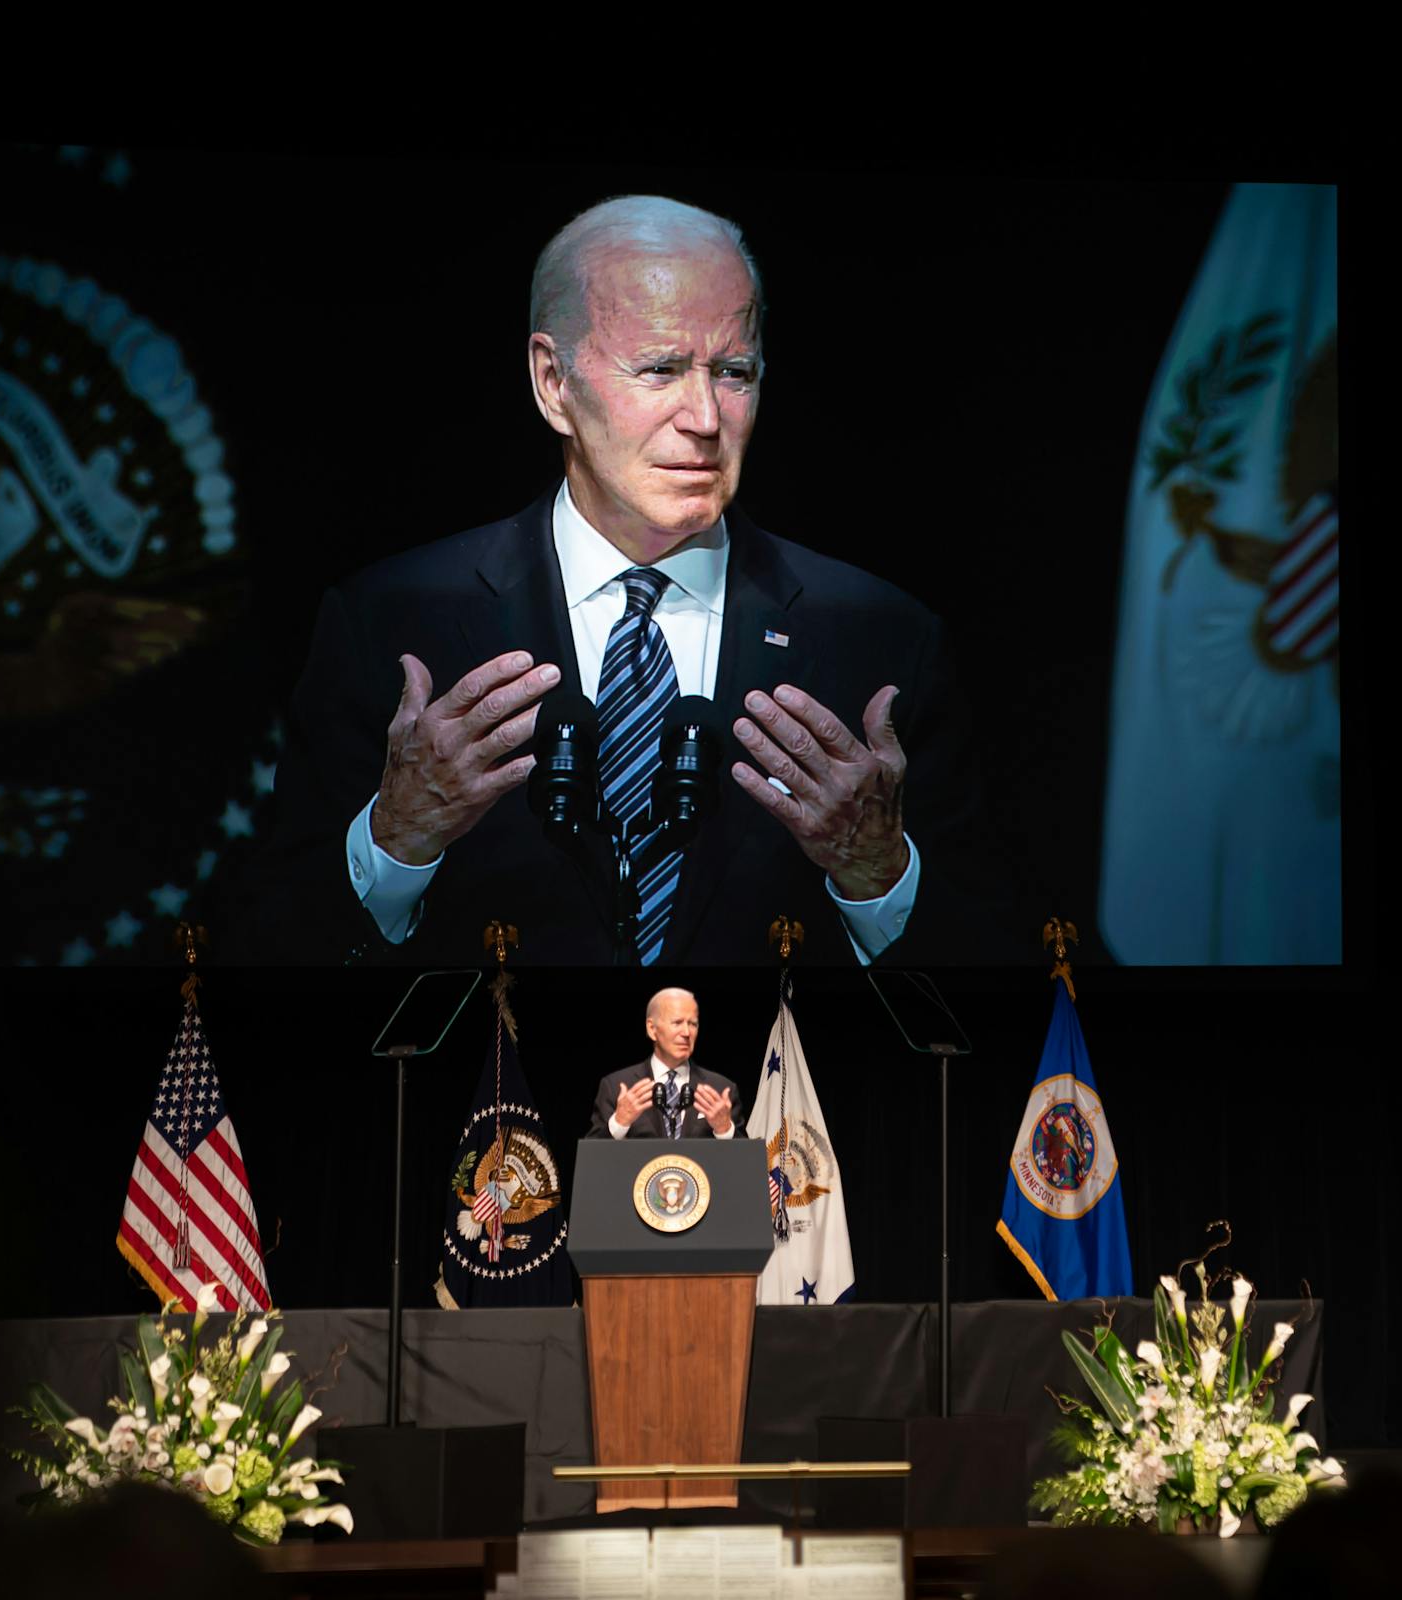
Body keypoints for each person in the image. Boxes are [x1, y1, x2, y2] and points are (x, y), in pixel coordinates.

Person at [236, 194, 999, 964]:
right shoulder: (393, 623)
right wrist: (395, 840)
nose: (705, 416)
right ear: (552, 382)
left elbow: (989, 966)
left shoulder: (881, 642)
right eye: (661, 370)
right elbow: (269, 943)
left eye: (735, 372)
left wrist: (877, 875)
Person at [585, 988, 742, 1142]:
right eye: (677, 1022)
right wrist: (619, 1123)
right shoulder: (616, 1087)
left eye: (693, 1024)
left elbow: (748, 1161)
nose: (687, 1033)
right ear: (652, 1029)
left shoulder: (720, 1089)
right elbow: (591, 1158)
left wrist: (725, 1130)